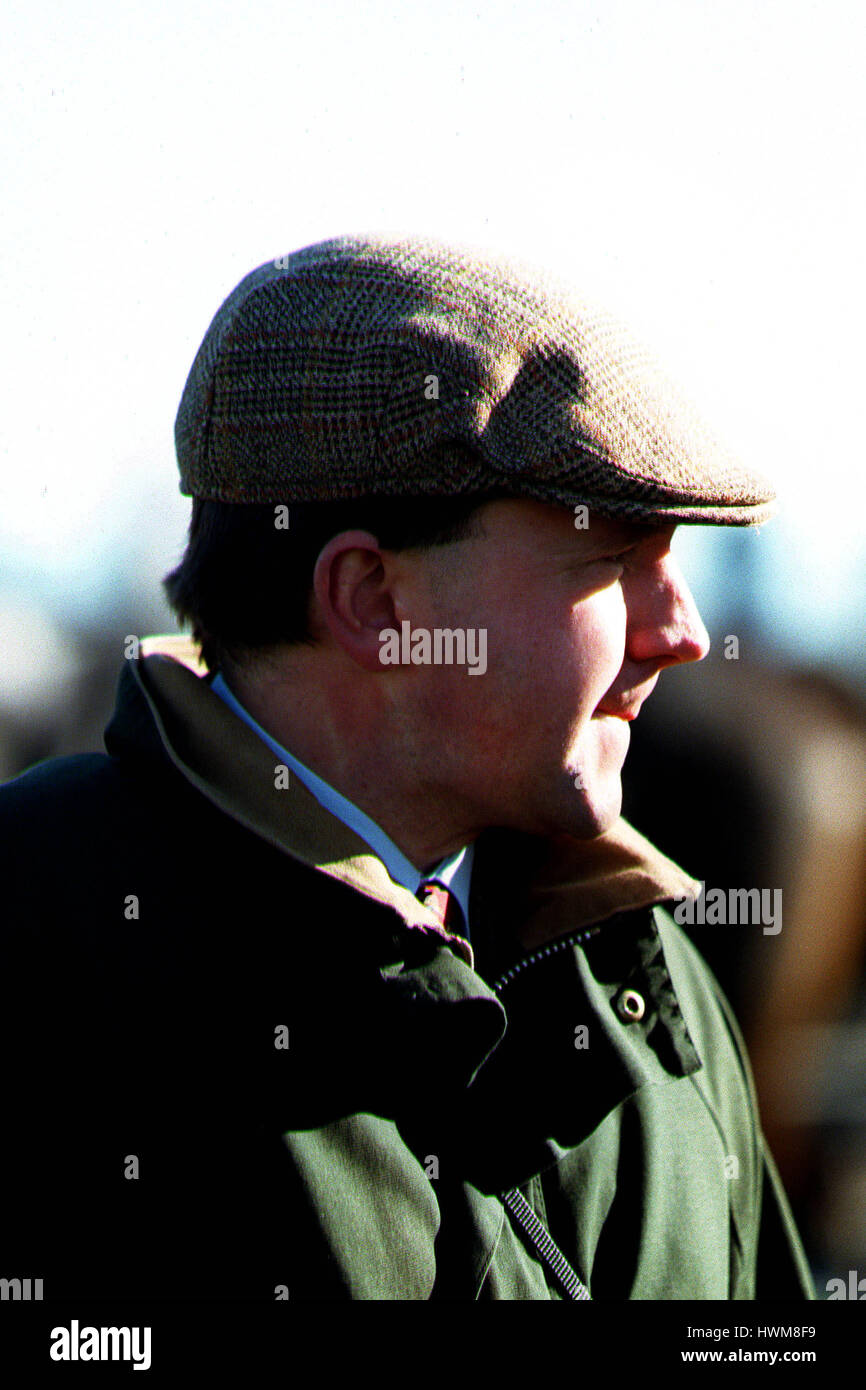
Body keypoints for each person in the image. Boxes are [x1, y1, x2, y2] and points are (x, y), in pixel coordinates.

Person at [0, 235, 814, 1301]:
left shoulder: (648, 976)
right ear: (376, 601)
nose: (682, 632)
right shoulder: (35, 944)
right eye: (615, 562)